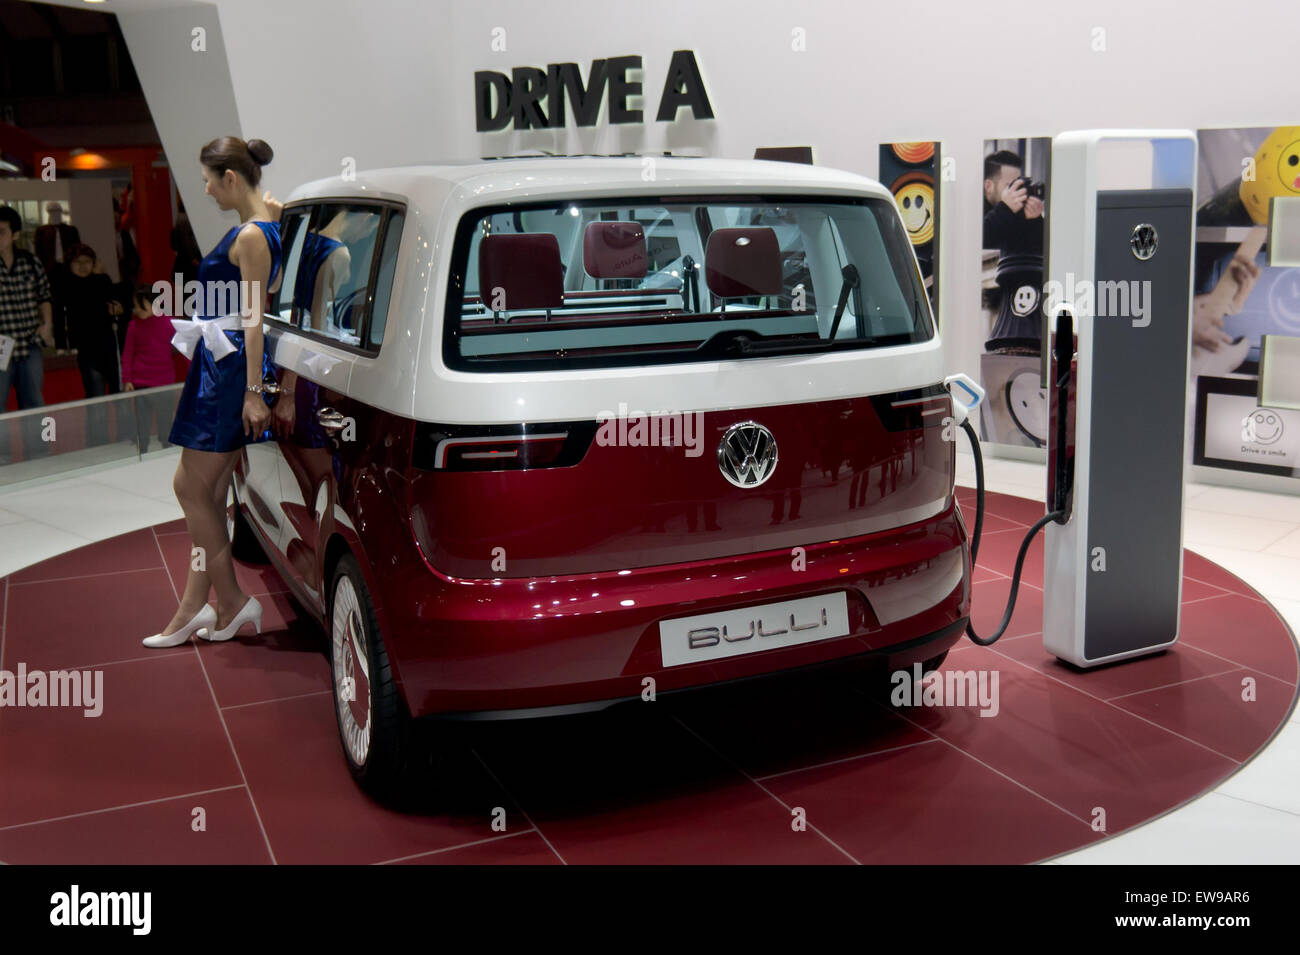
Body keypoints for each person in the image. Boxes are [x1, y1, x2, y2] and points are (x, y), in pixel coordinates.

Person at [143, 136, 282, 649]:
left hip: (226, 374)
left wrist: (251, 392)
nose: (204, 190)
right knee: (210, 493)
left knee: (188, 487)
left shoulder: (250, 236)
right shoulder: (264, 220)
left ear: (231, 177)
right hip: (220, 365)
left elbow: (253, 320)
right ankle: (196, 606)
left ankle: (229, 599)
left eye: (208, 180)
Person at [0, 205, 54, 463]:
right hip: (1, 343)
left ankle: (39, 452)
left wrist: (47, 325)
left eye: (1, 232)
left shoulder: (30, 262)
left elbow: (44, 295)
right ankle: (3, 455)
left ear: (15, 234)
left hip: (29, 340)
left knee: (34, 399)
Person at [982, 149, 1045, 353]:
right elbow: (982, 237)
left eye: (1020, 185)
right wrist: (1005, 209)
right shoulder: (983, 210)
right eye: (1011, 186)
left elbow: (1039, 252)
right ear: (988, 186)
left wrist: (1035, 221)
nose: (1018, 192)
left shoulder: (1017, 212)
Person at [63, 244, 123, 446]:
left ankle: (126, 438)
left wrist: (101, 275)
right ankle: (98, 442)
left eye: (87, 262)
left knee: (119, 394)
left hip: (108, 345)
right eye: (77, 262)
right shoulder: (67, 285)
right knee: (96, 396)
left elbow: (114, 303)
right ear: (69, 264)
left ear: (94, 263)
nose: (82, 266)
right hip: (87, 350)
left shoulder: (102, 280)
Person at [122, 286, 178, 452]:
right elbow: (127, 354)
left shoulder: (169, 323)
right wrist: (127, 379)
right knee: (142, 418)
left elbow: (183, 347)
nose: (137, 309)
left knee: (165, 415)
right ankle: (143, 446)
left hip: (165, 380)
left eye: (141, 305)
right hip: (141, 382)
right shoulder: (133, 326)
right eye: (135, 305)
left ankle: (166, 443)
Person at [34, 202, 81, 351]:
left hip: (69, 272)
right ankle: (60, 344)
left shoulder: (70, 230)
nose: (55, 213)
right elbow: (39, 253)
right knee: (57, 310)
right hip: (51, 274)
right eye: (52, 211)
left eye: (57, 211)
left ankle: (74, 343)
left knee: (73, 309)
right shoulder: (42, 231)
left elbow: (77, 250)